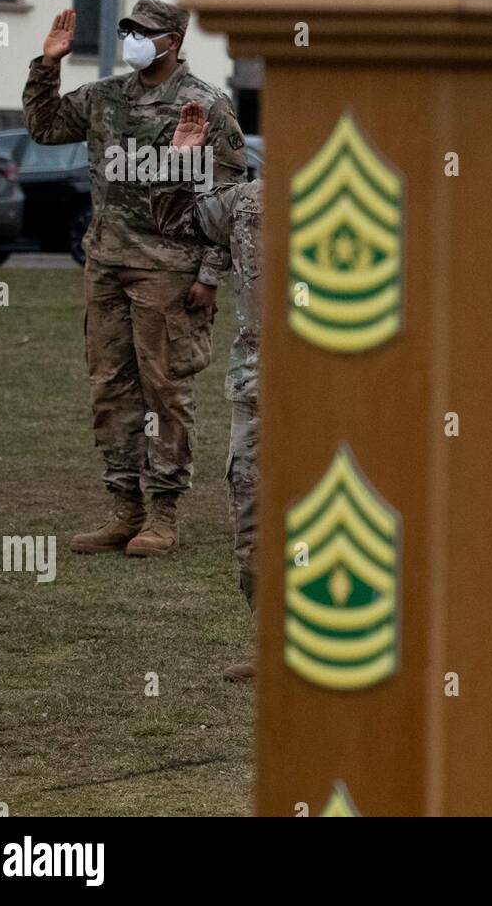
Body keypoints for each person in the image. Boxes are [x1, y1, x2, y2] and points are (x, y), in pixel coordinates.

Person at [23, 0, 248, 556]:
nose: (133, 39)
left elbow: (231, 197)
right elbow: (44, 127)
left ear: (173, 38)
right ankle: (124, 509)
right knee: (109, 388)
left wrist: (211, 274)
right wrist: (47, 65)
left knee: (165, 391)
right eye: (127, 30)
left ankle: (163, 515)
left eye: (144, 32)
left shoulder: (206, 105)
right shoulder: (104, 97)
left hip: (170, 271)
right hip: (106, 263)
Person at [195, 179, 262, 682]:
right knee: (252, 511)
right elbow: (176, 219)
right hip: (259, 385)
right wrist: (186, 158)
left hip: (343, 386)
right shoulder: (246, 199)